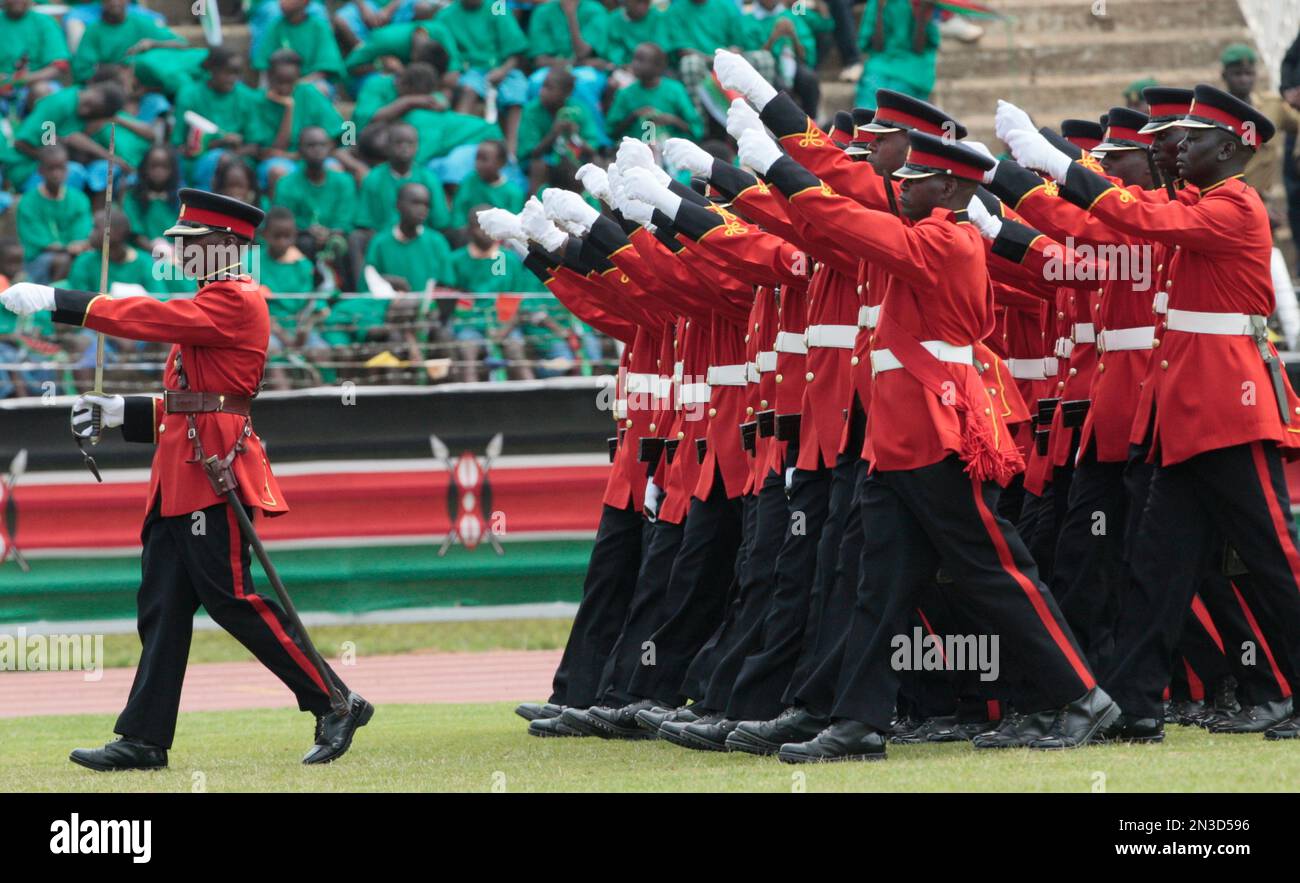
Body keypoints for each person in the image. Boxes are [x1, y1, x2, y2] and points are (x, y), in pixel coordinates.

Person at [0, 188, 374, 769]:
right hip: (183, 475)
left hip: (212, 475)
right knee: (163, 608)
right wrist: (122, 412)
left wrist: (62, 300)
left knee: (234, 600)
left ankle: (334, 698)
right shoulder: (210, 298)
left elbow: (150, 320)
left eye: (187, 243)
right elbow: (194, 403)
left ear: (222, 246)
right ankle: (145, 739)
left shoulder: (235, 299)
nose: (175, 251)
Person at [1003, 83, 1300, 741]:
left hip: (1226, 408)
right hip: (1180, 415)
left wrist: (1051, 164)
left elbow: (1143, 220)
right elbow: (1119, 221)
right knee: (1155, 567)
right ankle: (1136, 703)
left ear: (1231, 147)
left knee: (1273, 557)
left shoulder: (1236, 205)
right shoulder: (1192, 205)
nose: (1179, 146)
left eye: (1194, 138)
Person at [435, 0, 529, 157]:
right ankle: (459, 146)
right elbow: (449, 56)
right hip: (469, 70)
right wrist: (456, 70)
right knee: (468, 89)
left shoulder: (497, 8)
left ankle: (512, 151)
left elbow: (515, 50)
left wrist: (503, 70)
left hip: (502, 68)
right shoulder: (445, 16)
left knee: (517, 90)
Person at [270, 126, 358, 290]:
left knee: (348, 242)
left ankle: (351, 294)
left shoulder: (344, 182)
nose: (317, 150)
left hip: (335, 236)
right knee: (305, 243)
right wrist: (307, 229)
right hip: (303, 237)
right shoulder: (286, 184)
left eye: (322, 145)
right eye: (311, 145)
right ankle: (307, 295)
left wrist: (331, 232)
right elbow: (282, 220)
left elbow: (346, 218)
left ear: (330, 148)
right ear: (300, 150)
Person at [518, 67, 607, 192]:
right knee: (538, 165)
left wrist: (574, 136)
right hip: (546, 162)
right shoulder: (531, 110)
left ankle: (597, 206)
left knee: (597, 163)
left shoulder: (579, 109)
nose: (542, 92)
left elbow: (592, 150)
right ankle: (533, 204)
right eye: (543, 86)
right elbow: (532, 153)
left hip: (573, 160)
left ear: (567, 92)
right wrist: (554, 133)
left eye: (550, 88)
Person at [15, 146, 93, 285]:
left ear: (67, 170)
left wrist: (78, 245)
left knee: (89, 259)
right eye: (51, 169)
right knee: (63, 261)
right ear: (40, 171)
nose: (56, 174)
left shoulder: (79, 199)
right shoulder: (29, 201)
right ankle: (51, 302)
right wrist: (67, 247)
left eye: (61, 168)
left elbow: (82, 231)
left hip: (72, 254)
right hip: (39, 259)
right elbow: (37, 240)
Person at [606, 43, 703, 142]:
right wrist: (633, 116)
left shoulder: (675, 90)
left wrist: (673, 121)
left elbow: (696, 129)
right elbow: (611, 131)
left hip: (670, 150)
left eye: (641, 60)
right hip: (637, 150)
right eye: (634, 59)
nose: (634, 65)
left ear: (659, 66)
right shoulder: (626, 93)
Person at [854, 0, 939, 109]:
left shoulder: (920, 3)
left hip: (900, 66)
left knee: (883, 98)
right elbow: (933, 41)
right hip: (894, 66)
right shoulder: (876, 3)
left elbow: (864, 41)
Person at [450, 140, 524, 229]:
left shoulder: (513, 193)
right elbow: (459, 210)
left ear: (501, 163)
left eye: (484, 159)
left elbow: (514, 225)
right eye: (477, 158)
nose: (478, 164)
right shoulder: (470, 181)